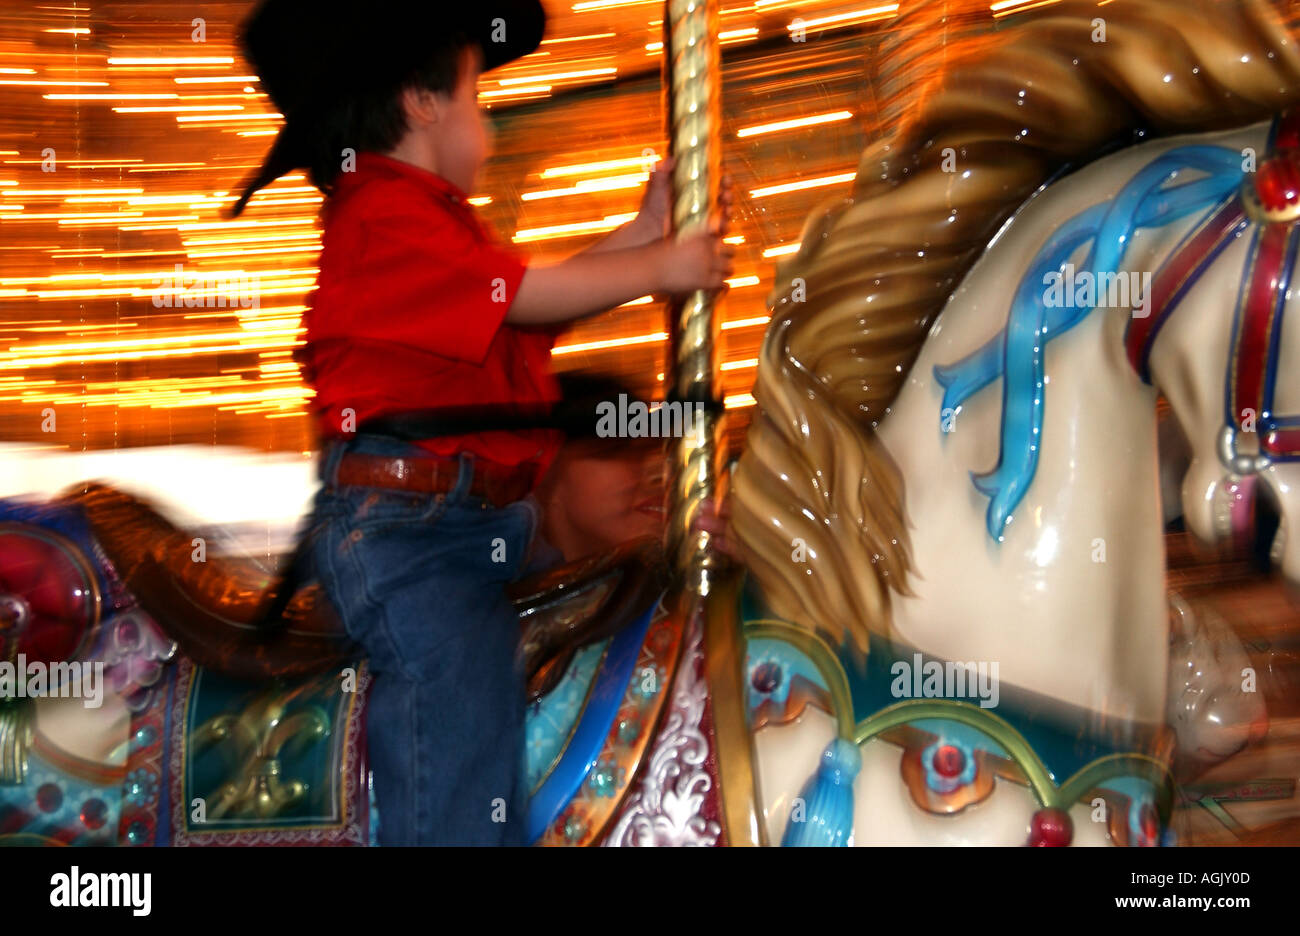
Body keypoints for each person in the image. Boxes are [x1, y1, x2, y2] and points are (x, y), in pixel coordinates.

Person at [231, 2, 734, 845]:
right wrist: (661, 264)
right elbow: (530, 294)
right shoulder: (381, 214)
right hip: (409, 538)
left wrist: (643, 234)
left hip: (478, 519)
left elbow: (526, 306)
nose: (487, 117)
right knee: (456, 681)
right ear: (421, 102)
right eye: (474, 93)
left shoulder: (426, 218)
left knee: (627, 587)